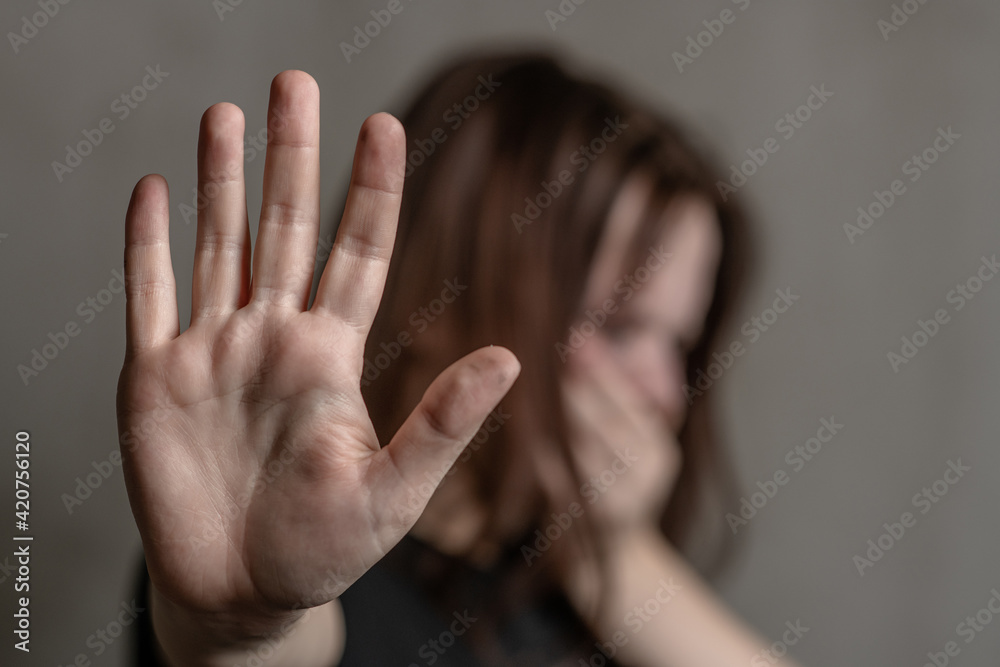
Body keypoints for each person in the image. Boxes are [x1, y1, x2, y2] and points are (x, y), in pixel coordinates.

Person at [119, 51, 803, 666]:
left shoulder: (602, 603)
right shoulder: (308, 571)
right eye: (621, 326)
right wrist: (244, 622)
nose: (666, 392)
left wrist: (614, 557)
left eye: (680, 343)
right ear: (450, 300)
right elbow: (266, 638)